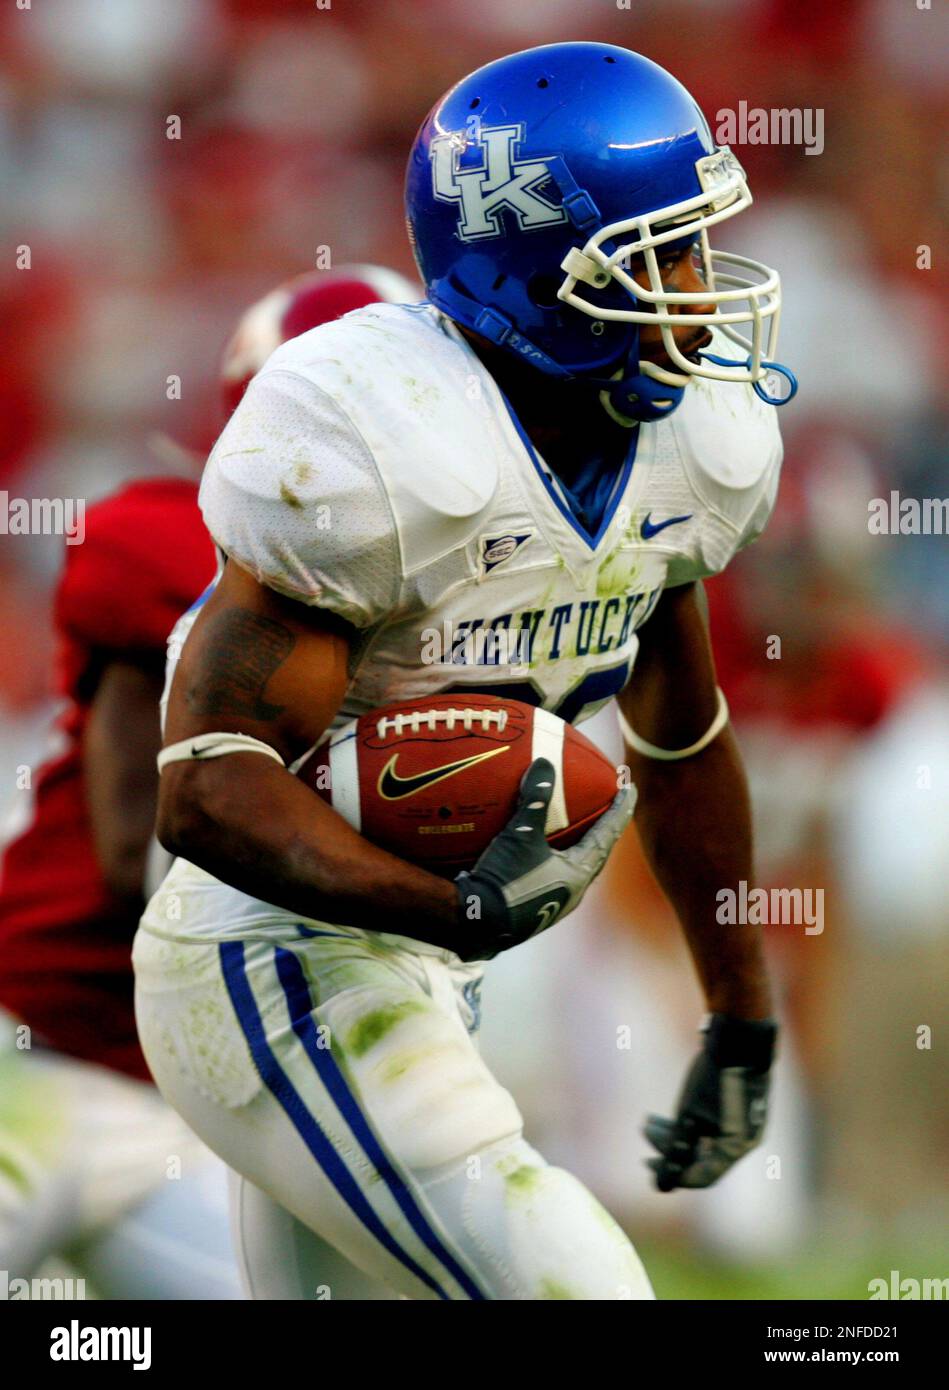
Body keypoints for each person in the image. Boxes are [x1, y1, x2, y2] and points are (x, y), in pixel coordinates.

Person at [134, 43, 792, 1300]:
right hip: (275, 961)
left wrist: (740, 1008)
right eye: (659, 257)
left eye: (699, 246)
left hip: (420, 967)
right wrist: (460, 910)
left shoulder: (684, 444)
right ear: (542, 278)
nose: (701, 293)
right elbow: (206, 785)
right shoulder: (373, 435)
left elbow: (681, 730)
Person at [0, 265, 413, 1299]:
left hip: (187, 1102)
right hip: (38, 1046)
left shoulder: (456, 583)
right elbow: (135, 853)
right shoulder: (165, 542)